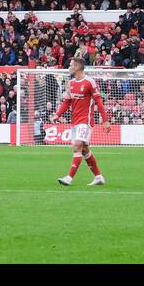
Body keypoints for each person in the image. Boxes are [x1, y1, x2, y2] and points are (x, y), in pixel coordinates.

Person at [54, 55, 107, 187]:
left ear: (77, 67)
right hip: (75, 121)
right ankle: (99, 177)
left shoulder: (89, 82)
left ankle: (69, 178)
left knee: (77, 145)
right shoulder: (71, 83)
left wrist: (105, 120)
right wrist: (57, 114)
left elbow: (99, 101)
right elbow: (67, 102)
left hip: (85, 120)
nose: (69, 67)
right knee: (84, 150)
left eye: (71, 65)